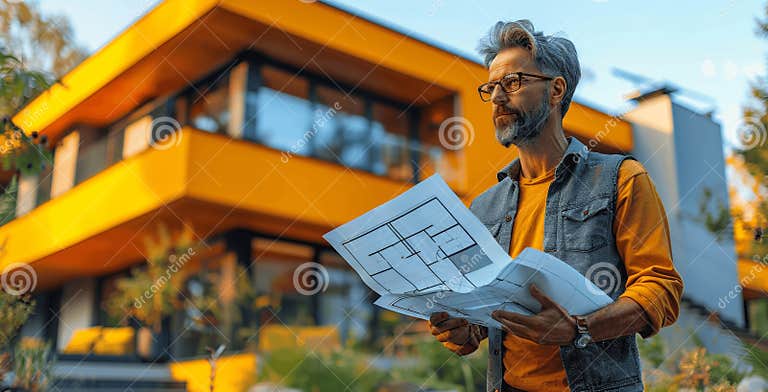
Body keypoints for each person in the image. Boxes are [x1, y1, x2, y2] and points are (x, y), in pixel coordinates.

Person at [428, 20, 683, 392]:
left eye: (512, 82)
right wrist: (463, 330)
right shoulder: (484, 207)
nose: (497, 97)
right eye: (490, 87)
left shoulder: (621, 179)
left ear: (556, 90)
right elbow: (485, 319)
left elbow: (660, 287)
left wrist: (580, 329)